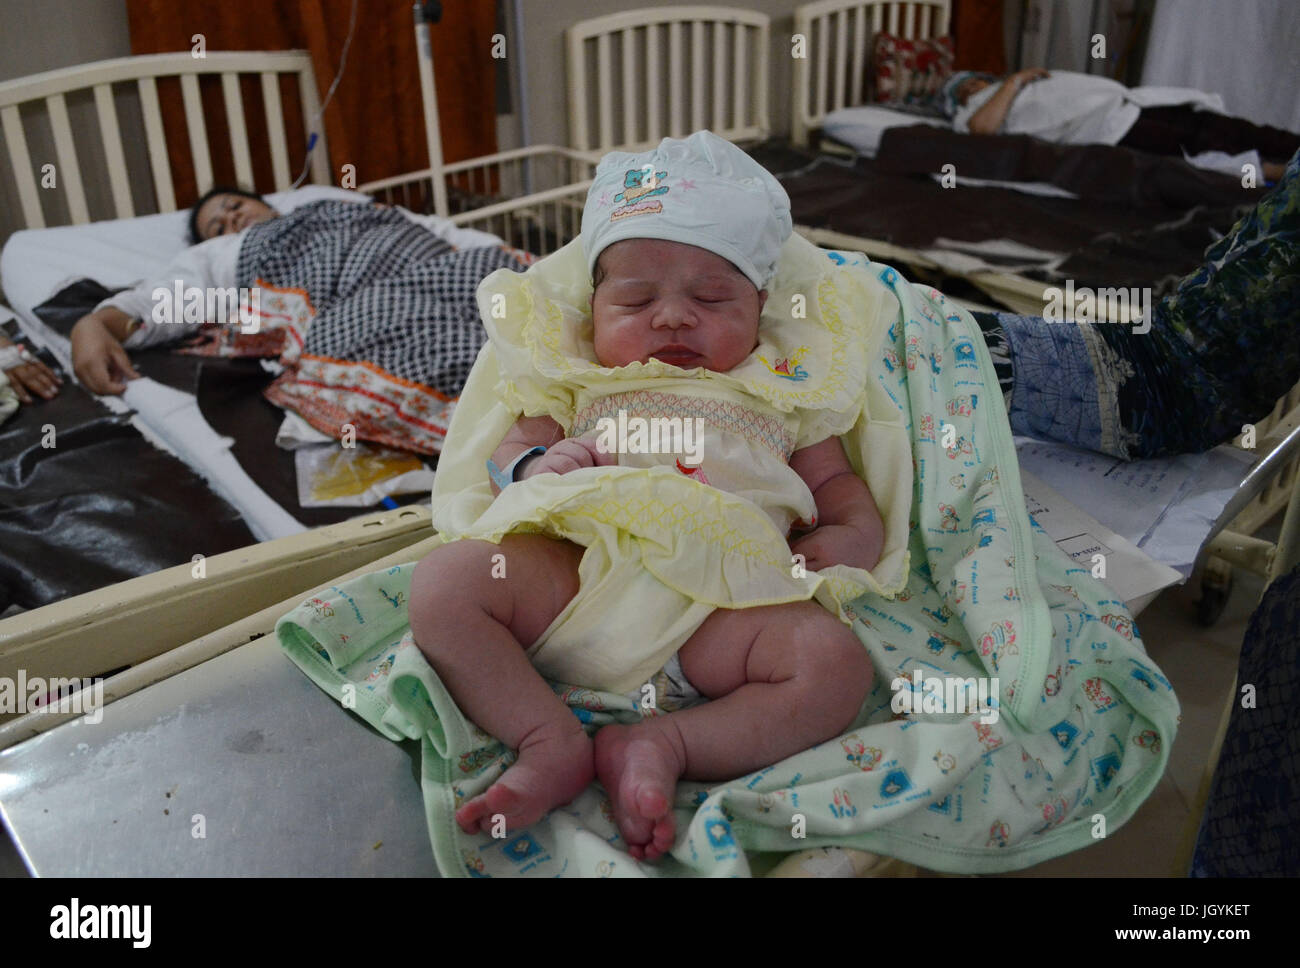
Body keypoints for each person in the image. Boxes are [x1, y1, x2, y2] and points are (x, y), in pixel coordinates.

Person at [407, 131, 890, 860]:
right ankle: (548, 736)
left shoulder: (785, 389)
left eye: (711, 297)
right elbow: (503, 455)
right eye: (635, 299)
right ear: (593, 309)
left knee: (834, 666)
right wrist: (540, 464)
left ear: (758, 308)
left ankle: (662, 742)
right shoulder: (576, 378)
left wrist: (844, 539)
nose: (671, 317)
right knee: (444, 585)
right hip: (580, 575)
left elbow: (839, 488)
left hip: (724, 607)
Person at [63, 187, 509, 397]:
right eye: (217, 225)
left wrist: (512, 264)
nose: (232, 221)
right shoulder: (224, 254)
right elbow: (168, 298)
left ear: (268, 204)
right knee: (477, 360)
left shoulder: (333, 206)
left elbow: (437, 232)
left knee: (516, 301)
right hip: (364, 301)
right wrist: (96, 323)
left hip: (436, 263)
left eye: (236, 206)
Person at [944, 69, 1299, 180]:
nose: (976, 85)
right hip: (1111, 125)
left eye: (976, 80)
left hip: (1133, 102)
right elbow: (982, 130)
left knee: (1225, 128)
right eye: (967, 88)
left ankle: (1289, 153)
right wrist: (1014, 81)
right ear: (960, 99)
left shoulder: (1009, 82)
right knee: (1206, 142)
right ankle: (1280, 170)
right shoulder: (972, 111)